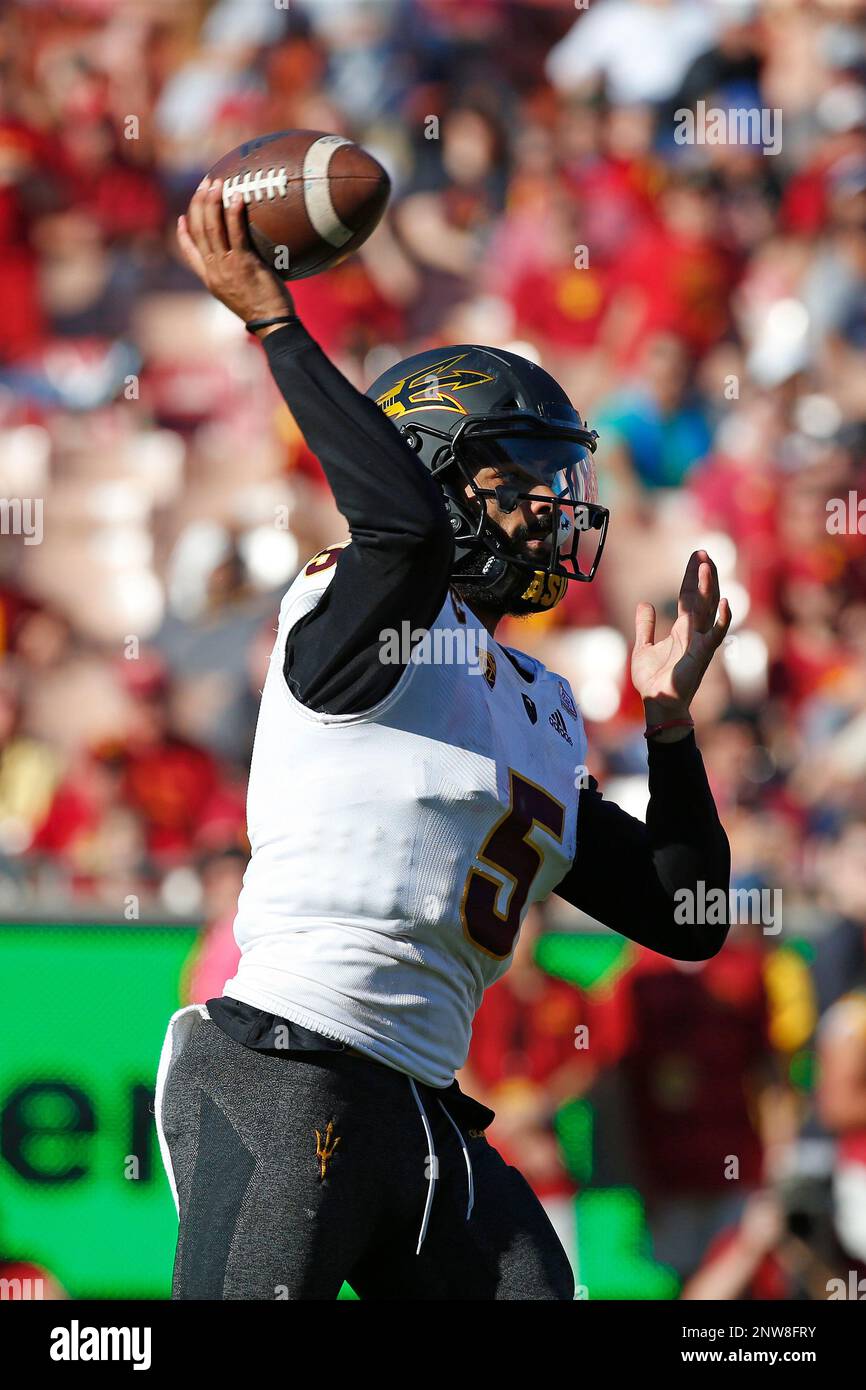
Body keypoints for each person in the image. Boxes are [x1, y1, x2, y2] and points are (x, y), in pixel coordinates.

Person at [154, 177, 732, 1301]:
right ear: (437, 472)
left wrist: (668, 729)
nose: (549, 506)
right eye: (519, 476)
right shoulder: (353, 603)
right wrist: (276, 323)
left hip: (417, 1103)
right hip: (285, 1063)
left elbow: (687, 913)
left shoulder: (537, 700)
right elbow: (406, 536)